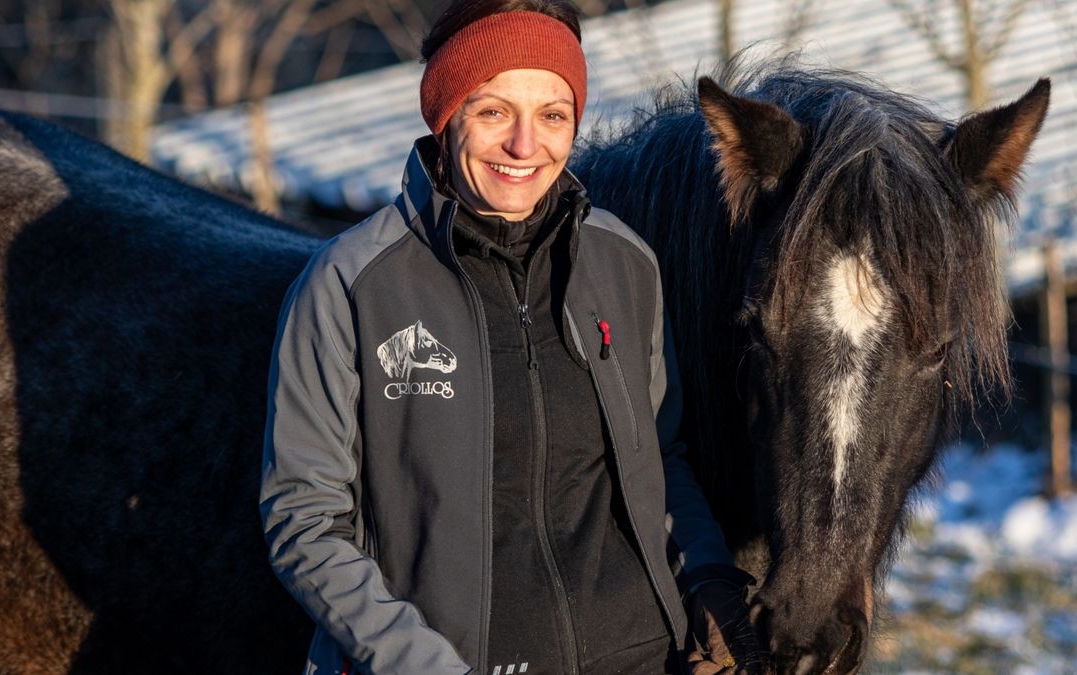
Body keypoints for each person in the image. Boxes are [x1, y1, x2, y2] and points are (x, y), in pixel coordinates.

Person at [260, 1, 756, 673]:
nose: (526, 146)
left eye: (553, 115)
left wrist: (710, 579)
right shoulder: (352, 284)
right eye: (493, 111)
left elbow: (659, 458)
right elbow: (305, 519)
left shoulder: (625, 263)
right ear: (445, 115)